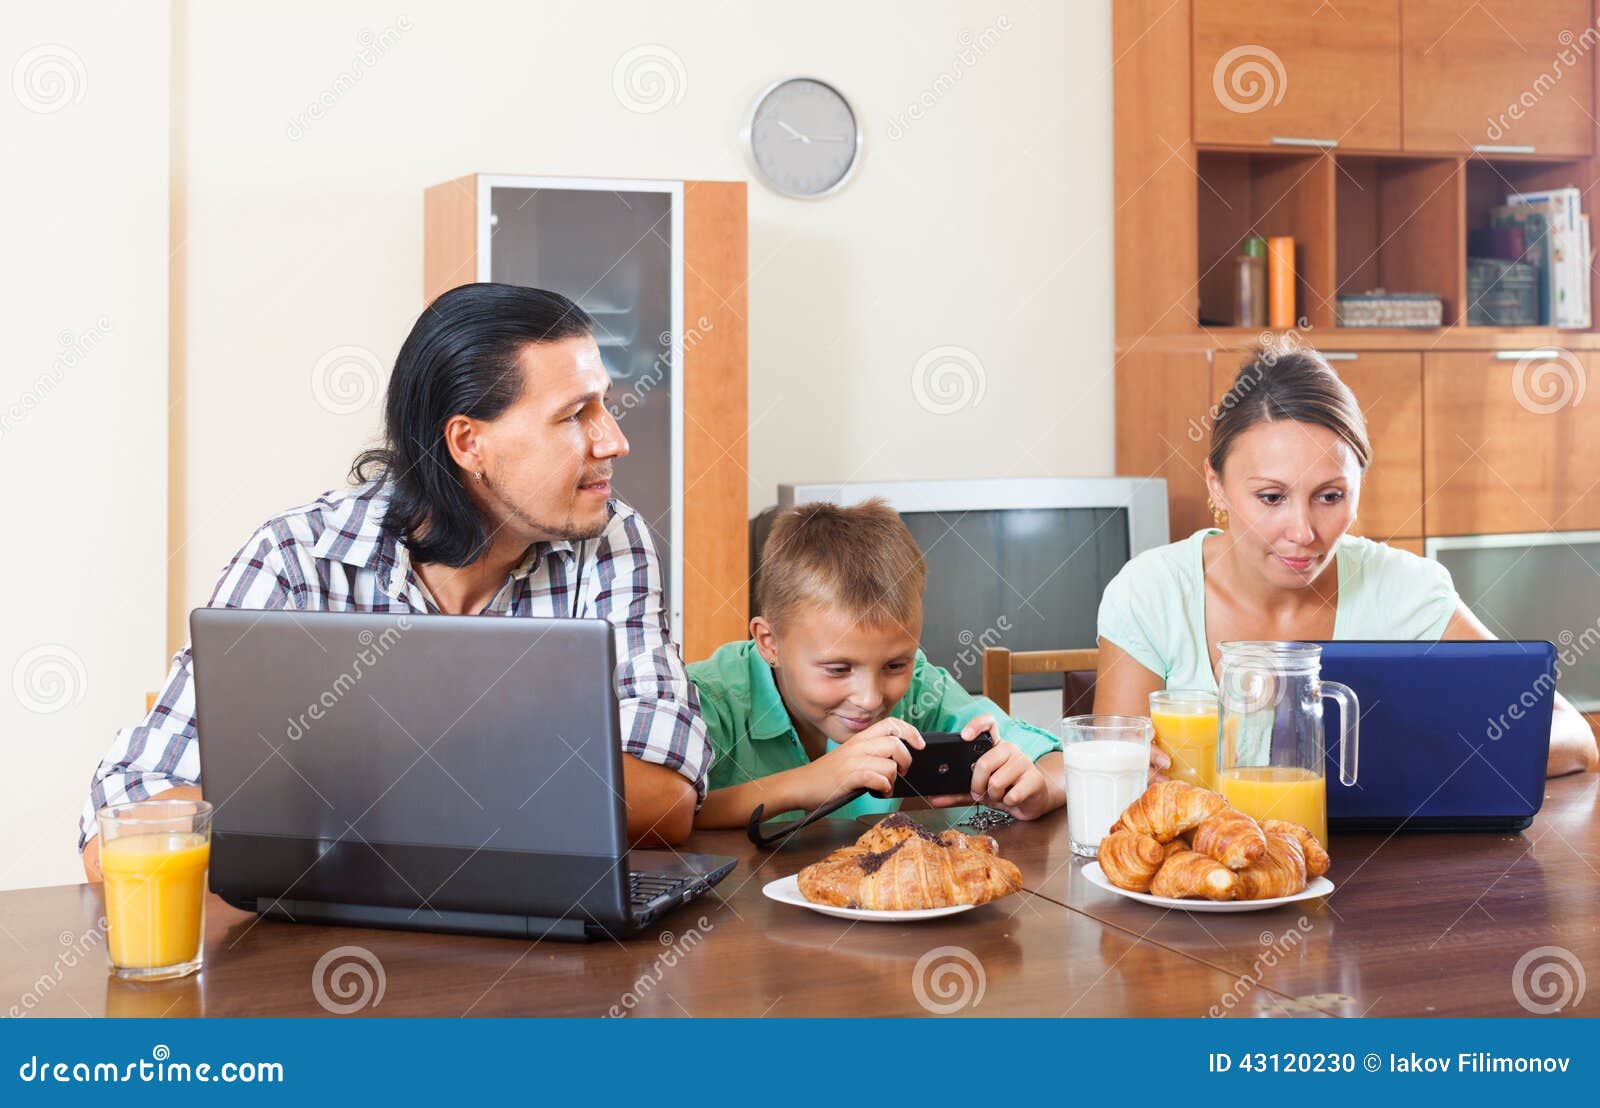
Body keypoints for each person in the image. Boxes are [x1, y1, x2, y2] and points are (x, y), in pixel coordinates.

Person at [79, 283, 711, 879]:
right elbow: (125, 830)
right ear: (468, 444)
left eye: (606, 404)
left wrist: (340, 790)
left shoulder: (607, 542)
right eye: (577, 414)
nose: (615, 441)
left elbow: (665, 797)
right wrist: (514, 779)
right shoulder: (298, 560)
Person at [1094, 347, 1598, 777]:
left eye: (1330, 496)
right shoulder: (1151, 593)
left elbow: (1572, 736)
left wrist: (1417, 755)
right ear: (1215, 485)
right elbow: (1114, 775)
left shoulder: (1407, 591)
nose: (1303, 532)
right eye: (1271, 497)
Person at [688, 498, 1066, 828]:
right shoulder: (705, 701)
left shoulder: (921, 686)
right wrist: (808, 782)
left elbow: (1063, 767)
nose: (870, 699)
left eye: (895, 665)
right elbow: (651, 817)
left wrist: (1040, 789)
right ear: (770, 643)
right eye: (837, 669)